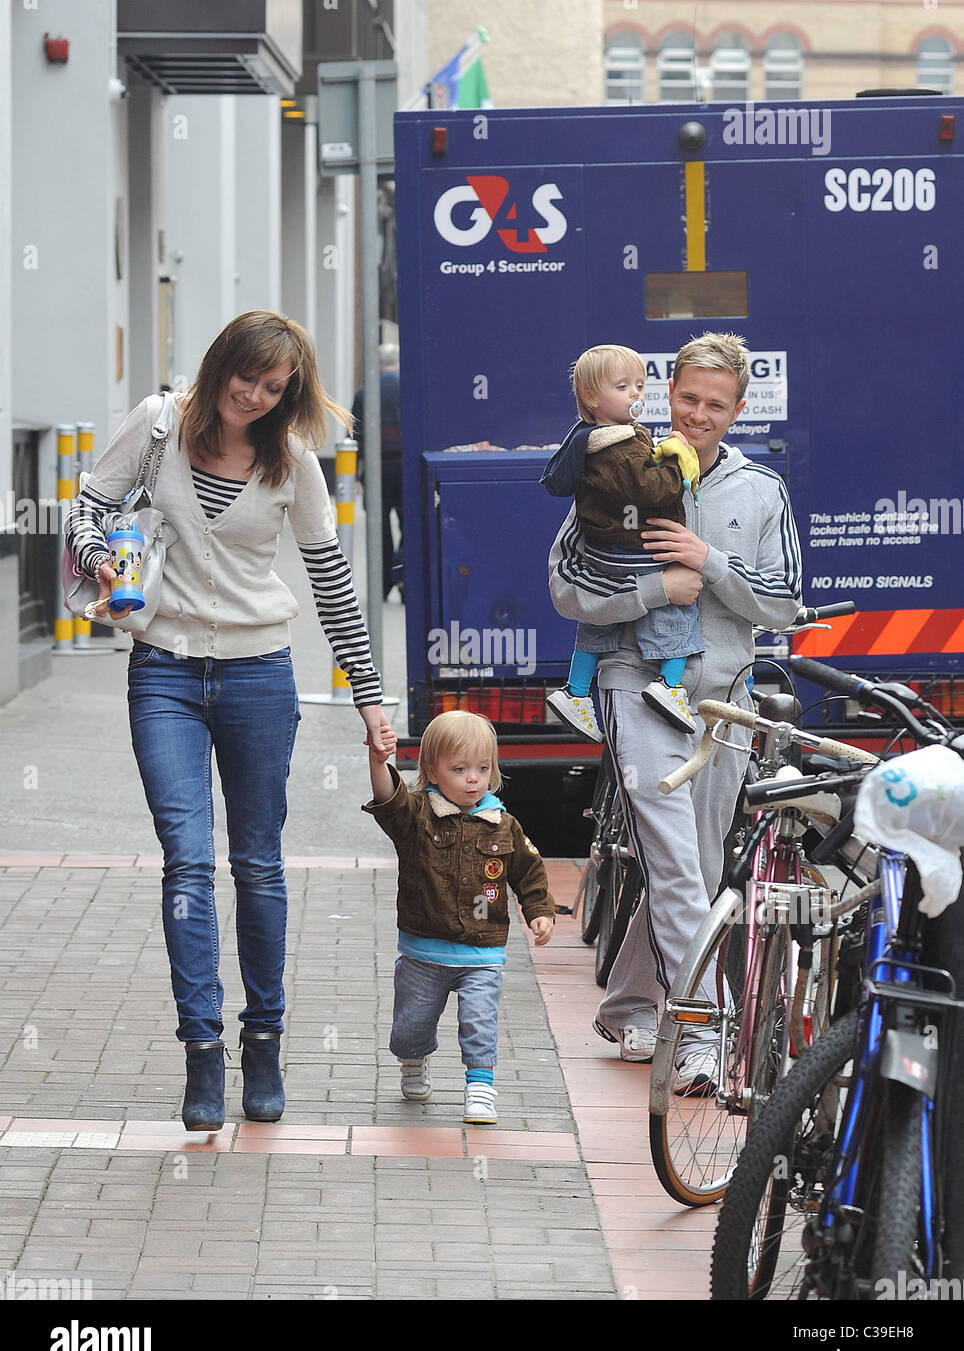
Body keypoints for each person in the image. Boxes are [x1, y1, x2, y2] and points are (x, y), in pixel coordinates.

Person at [65, 310, 394, 1130]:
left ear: (289, 396)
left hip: (259, 674)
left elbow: (333, 584)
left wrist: (371, 700)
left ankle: (266, 1041)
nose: (253, 395)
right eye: (245, 377)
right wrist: (103, 554)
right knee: (186, 857)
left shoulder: (293, 462)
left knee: (257, 863)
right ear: (220, 367)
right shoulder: (158, 424)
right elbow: (84, 506)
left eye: (273, 387)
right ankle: (202, 1052)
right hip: (164, 670)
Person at [548, 332, 802, 1087]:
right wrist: (657, 590)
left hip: (725, 702)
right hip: (636, 686)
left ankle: (629, 1006)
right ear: (668, 394)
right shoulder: (620, 461)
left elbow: (785, 603)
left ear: (738, 410)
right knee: (677, 866)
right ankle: (699, 1038)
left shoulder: (761, 491)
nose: (698, 414)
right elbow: (564, 588)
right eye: (687, 398)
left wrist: (708, 562)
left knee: (687, 867)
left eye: (714, 405)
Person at [363, 710, 555, 1124]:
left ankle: (481, 1087)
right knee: (410, 1028)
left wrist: (539, 911)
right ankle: (413, 1061)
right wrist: (379, 763)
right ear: (432, 770)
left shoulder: (503, 825)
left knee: (479, 1023)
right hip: (423, 951)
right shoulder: (417, 817)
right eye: (460, 769)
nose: (473, 778)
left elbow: (529, 871)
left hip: (482, 953)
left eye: (482, 768)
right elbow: (387, 800)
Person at [542, 344, 704, 742]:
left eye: (639, 385)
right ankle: (669, 685)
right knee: (677, 609)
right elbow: (650, 490)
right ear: (593, 399)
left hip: (603, 555)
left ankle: (577, 691)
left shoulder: (588, 440)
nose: (636, 394)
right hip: (637, 554)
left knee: (599, 622)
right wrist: (676, 463)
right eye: (623, 386)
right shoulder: (617, 446)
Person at [352, 342, 403, 599]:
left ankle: (382, 585)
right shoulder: (410, 389)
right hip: (406, 471)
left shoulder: (364, 394)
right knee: (410, 525)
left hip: (377, 471)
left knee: (378, 528)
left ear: (379, 364)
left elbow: (356, 436)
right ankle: (403, 574)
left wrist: (357, 475)